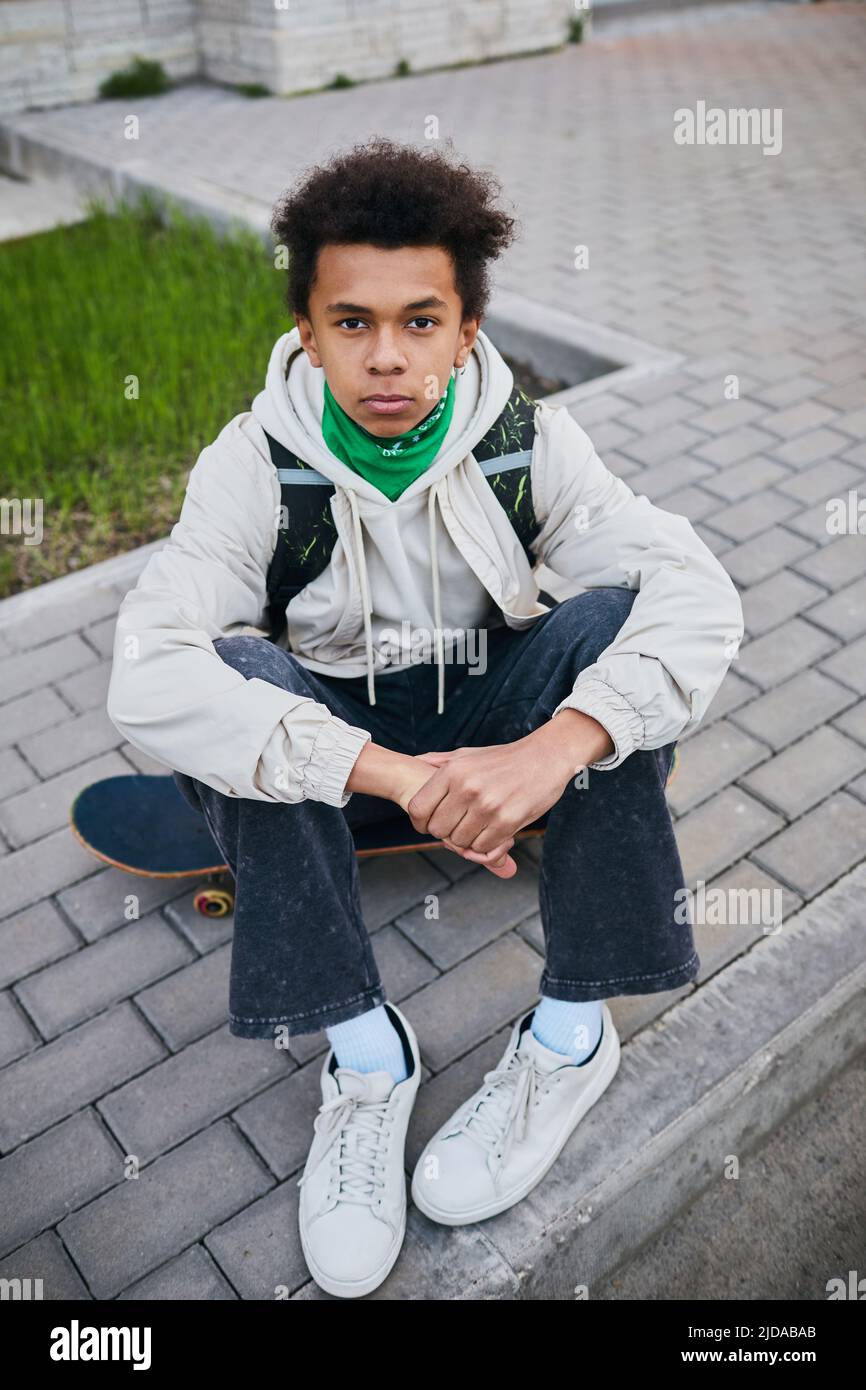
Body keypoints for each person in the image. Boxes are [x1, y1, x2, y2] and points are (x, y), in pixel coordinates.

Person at [106, 136, 744, 1299]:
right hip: (346, 753)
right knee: (235, 667)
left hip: (495, 718)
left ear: (465, 329)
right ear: (306, 328)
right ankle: (365, 1056)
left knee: (611, 624)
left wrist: (553, 748)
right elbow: (144, 667)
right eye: (351, 322)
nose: (386, 357)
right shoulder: (251, 465)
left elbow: (698, 592)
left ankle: (567, 1037)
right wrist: (404, 780)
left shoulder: (527, 445)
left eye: (419, 321)